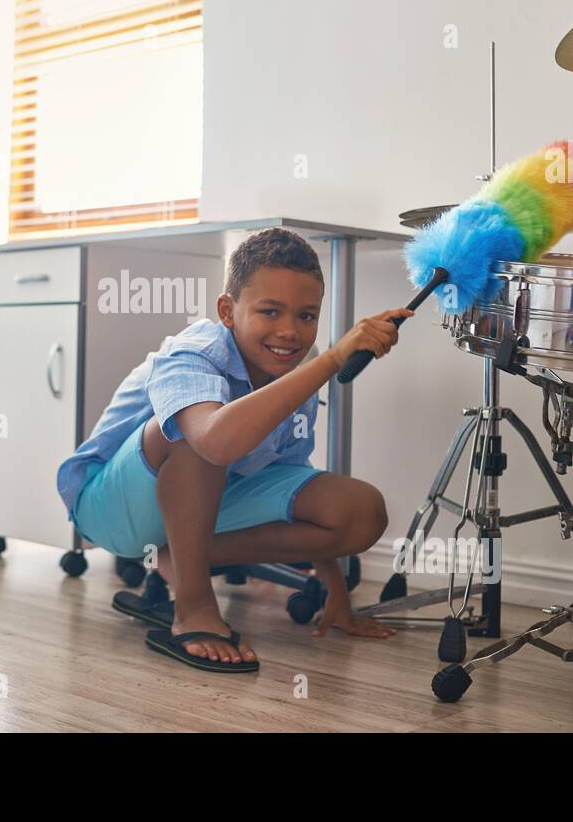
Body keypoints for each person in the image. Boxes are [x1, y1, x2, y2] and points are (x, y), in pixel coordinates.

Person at [56, 227, 407, 672]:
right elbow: (214, 440)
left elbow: (288, 477)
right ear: (227, 310)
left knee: (360, 509)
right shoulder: (194, 354)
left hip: (210, 503)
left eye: (306, 315)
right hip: (114, 511)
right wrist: (331, 361)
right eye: (270, 311)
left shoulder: (296, 368)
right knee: (195, 435)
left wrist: (334, 588)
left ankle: (178, 561)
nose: (290, 331)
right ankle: (194, 607)